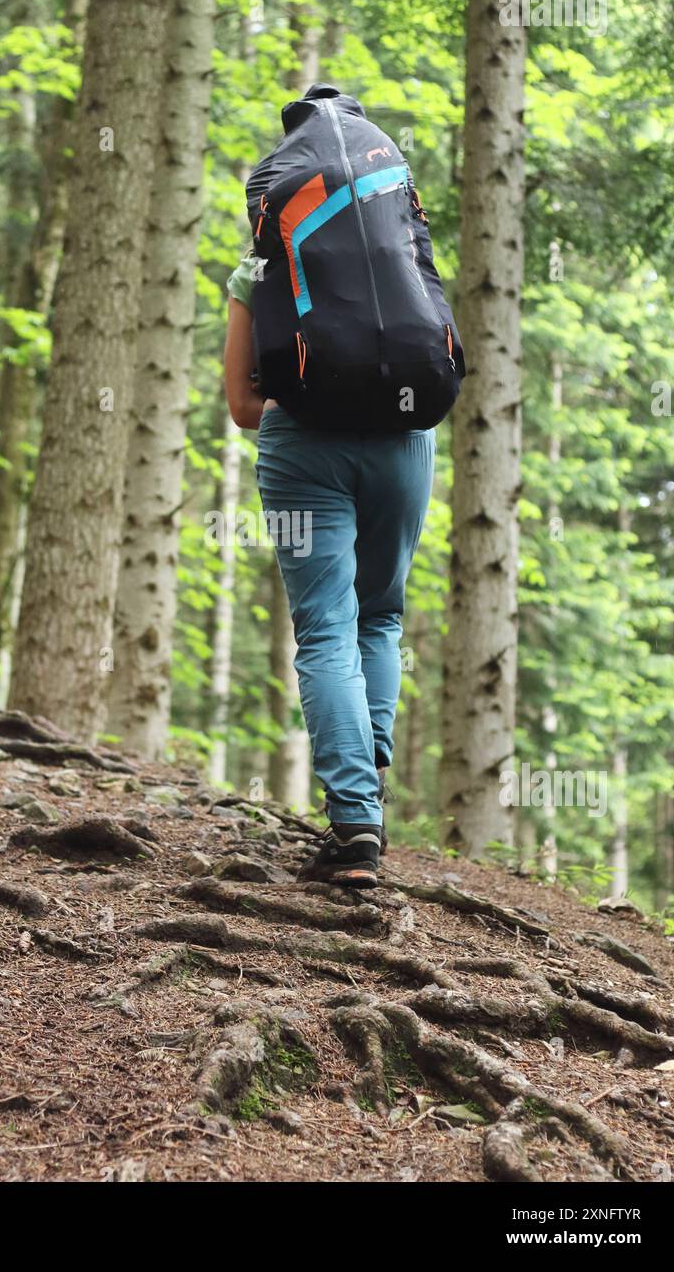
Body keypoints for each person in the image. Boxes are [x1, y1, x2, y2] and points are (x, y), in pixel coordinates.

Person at [224, 257, 436, 887]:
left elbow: (241, 404)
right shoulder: (400, 251)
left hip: (304, 447)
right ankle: (366, 783)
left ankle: (354, 824)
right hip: (405, 441)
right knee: (380, 616)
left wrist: (315, 415)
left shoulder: (257, 268)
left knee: (326, 628)